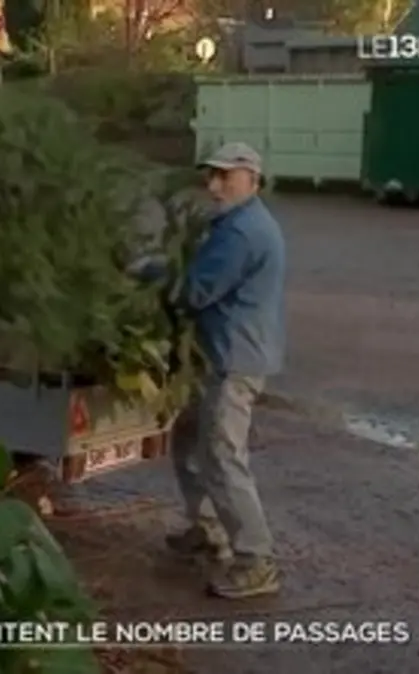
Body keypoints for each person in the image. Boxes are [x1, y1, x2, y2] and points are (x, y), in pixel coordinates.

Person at [135, 142, 286, 599]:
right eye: (212, 176)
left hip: (232, 359)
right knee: (188, 438)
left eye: (227, 176)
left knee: (222, 455)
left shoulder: (243, 233)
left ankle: (256, 560)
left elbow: (196, 290)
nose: (216, 185)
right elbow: (196, 271)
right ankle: (206, 528)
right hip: (216, 355)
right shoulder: (236, 223)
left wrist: (146, 277)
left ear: (253, 181)